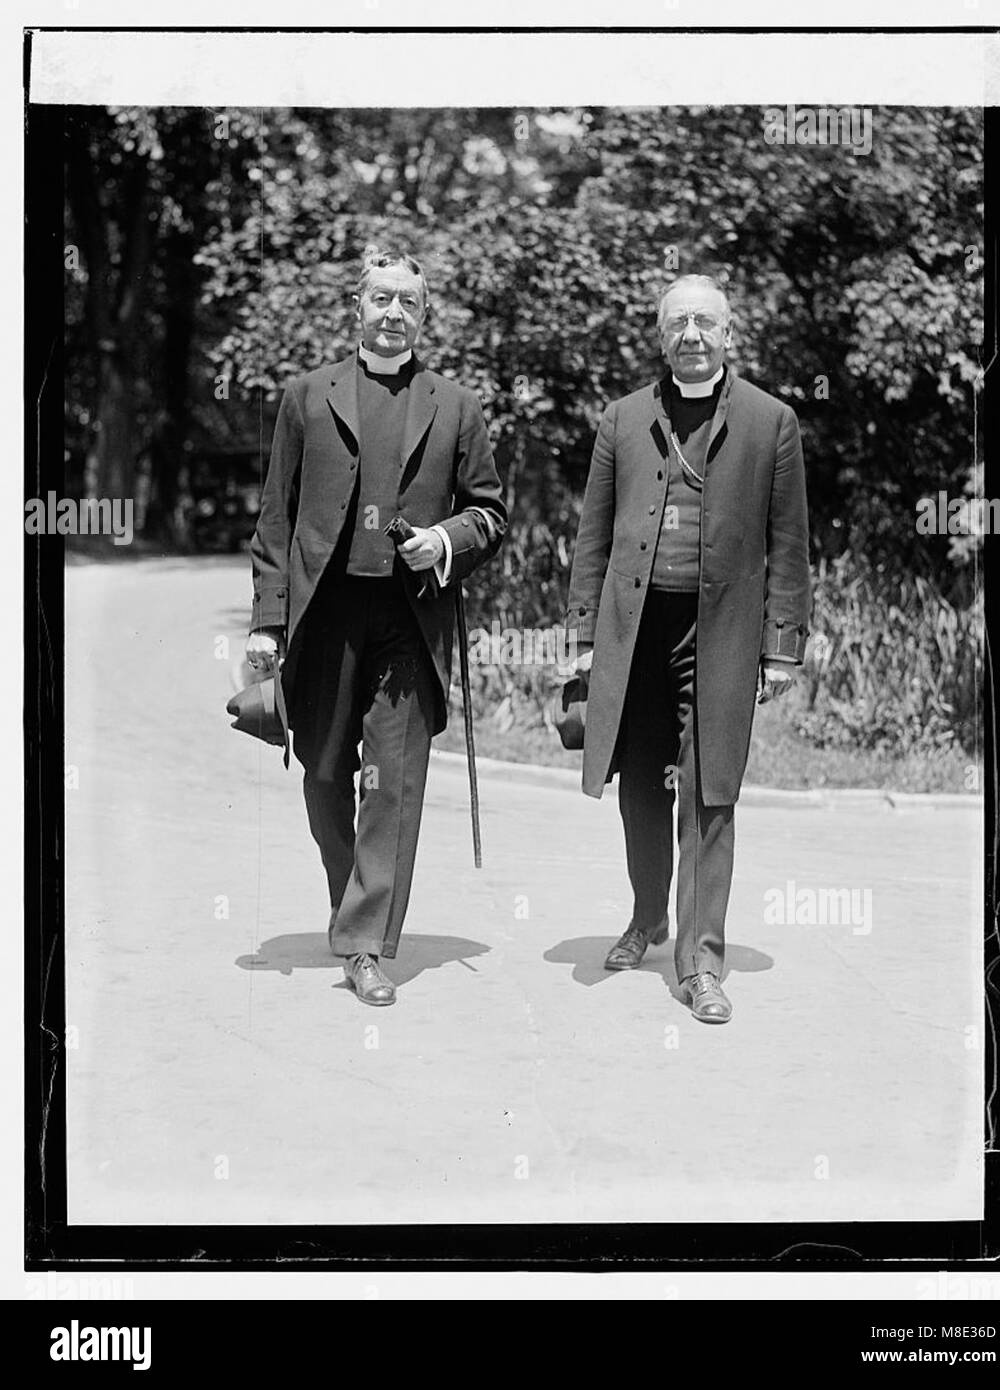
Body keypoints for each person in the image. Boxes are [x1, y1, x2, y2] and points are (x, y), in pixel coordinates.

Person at [246, 248, 507, 1006]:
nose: (394, 314)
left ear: (424, 318)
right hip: (323, 614)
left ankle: (366, 943)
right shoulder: (305, 396)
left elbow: (490, 512)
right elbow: (276, 517)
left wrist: (445, 541)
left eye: (409, 304)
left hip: (408, 619)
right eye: (381, 300)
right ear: (356, 309)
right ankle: (350, 906)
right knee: (326, 775)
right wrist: (269, 622)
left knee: (392, 785)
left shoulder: (455, 405)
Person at [564, 274, 811, 1023]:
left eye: (707, 322)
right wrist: (581, 636)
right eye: (680, 324)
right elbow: (593, 536)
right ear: (661, 334)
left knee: (711, 795)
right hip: (635, 634)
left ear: (729, 334)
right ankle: (648, 918)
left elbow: (790, 545)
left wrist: (782, 647)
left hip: (725, 637)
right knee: (640, 787)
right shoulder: (622, 419)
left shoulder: (773, 422)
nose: (693, 335)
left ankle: (702, 962)